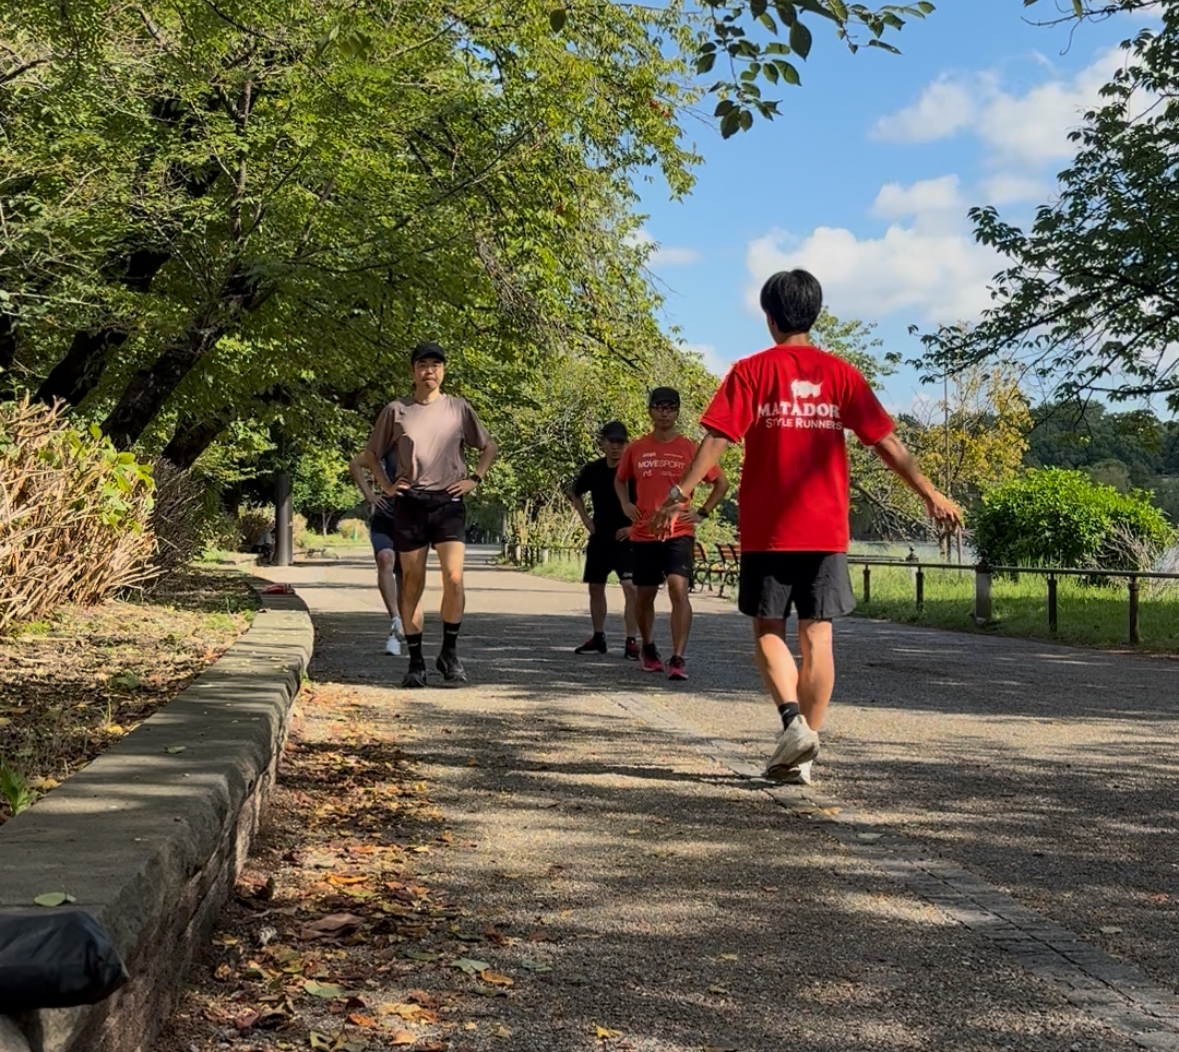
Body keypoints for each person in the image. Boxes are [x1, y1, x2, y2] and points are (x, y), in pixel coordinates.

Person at [654, 269, 961, 783]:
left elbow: (717, 439)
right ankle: (805, 754)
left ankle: (794, 725)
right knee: (818, 636)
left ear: (770, 317)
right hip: (825, 529)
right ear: (813, 315)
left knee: (767, 628)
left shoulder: (751, 372)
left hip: (770, 529)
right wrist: (931, 493)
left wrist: (679, 492)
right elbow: (887, 442)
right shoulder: (842, 375)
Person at [362, 341, 498, 688]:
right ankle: (416, 661)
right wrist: (386, 487)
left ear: (444, 371)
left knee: (454, 578)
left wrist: (475, 479)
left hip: (449, 501)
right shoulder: (396, 410)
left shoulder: (458, 408)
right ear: (413, 371)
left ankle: (449, 653)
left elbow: (489, 446)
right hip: (410, 502)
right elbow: (370, 455)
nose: (430, 371)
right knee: (412, 582)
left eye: (436, 365)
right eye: (423, 365)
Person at [615, 387, 728, 681]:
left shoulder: (691, 448)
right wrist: (626, 503)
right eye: (659, 407)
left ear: (677, 411)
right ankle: (649, 647)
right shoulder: (636, 448)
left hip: (679, 531)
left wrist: (702, 512)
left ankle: (678, 657)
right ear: (650, 410)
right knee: (644, 596)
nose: (665, 413)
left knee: (679, 589)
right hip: (644, 532)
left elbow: (721, 483)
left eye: (671, 407)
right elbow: (620, 479)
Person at [567, 421, 640, 659]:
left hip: (627, 537)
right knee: (595, 587)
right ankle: (598, 637)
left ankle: (631, 641)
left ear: (627, 445)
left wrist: (634, 528)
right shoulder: (593, 469)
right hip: (600, 536)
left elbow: (650, 502)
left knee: (631, 589)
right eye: (612, 442)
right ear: (603, 444)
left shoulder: (635, 471)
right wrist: (586, 519)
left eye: (621, 442)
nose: (616, 447)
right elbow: (574, 492)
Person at [348, 452, 408, 656]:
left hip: (412, 521)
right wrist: (369, 495)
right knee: (385, 559)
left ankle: (403, 629)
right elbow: (355, 463)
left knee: (405, 575)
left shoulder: (423, 444)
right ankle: (396, 621)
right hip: (384, 517)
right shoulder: (384, 448)